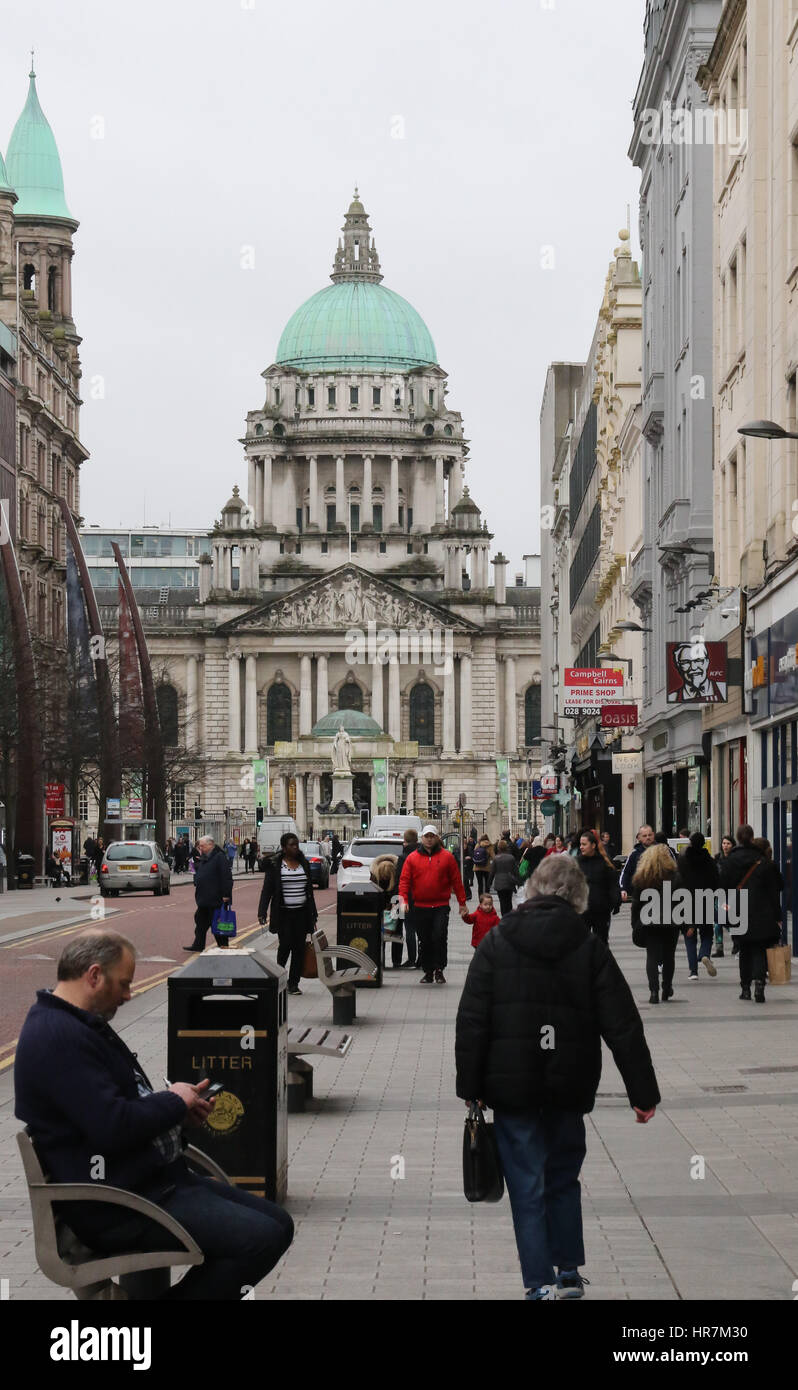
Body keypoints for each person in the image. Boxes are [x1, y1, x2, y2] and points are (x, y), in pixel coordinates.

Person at [14, 930, 293, 1299]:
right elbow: (113, 1127)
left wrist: (177, 1111)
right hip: (119, 1205)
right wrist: (174, 1102)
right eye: (124, 984)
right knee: (261, 1238)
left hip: (149, 1182)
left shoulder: (74, 1024)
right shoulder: (58, 1037)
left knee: (279, 1222)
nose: (130, 995)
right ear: (94, 975)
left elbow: (115, 1111)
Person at [455, 854, 659, 1301]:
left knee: (526, 1184)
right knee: (564, 1178)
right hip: (568, 1084)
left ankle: (539, 1283)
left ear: (533, 889)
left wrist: (470, 1088)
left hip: (512, 1088)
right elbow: (622, 1024)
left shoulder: (497, 941)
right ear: (578, 896)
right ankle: (567, 1271)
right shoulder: (588, 946)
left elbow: (472, 1020)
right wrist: (642, 1094)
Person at [718, 826, 782, 1003]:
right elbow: (774, 890)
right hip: (763, 912)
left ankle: (745, 988)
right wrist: (778, 917)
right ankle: (760, 983)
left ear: (738, 839)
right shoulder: (763, 860)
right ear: (752, 838)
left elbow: (722, 886)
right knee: (760, 950)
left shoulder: (731, 860)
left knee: (744, 950)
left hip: (739, 912)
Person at [398, 825, 468, 985]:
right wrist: (403, 900)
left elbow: (456, 881)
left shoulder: (447, 857)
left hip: (440, 905)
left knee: (439, 936)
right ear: (422, 838)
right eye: (426, 836)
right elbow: (404, 881)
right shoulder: (412, 858)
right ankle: (428, 970)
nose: (429, 839)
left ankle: (439, 969)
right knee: (424, 939)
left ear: (437, 838)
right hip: (420, 905)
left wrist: (462, 903)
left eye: (432, 836)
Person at [258, 833, 318, 995]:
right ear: (284, 848)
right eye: (291, 845)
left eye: (296, 844)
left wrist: (313, 913)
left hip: (302, 913)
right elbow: (267, 890)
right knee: (285, 946)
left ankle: (293, 984)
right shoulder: (276, 865)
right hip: (283, 913)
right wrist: (262, 910)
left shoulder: (303, 863)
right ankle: (280, 977)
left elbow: (309, 891)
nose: (295, 847)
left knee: (299, 949)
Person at [631, 843, 680, 1003]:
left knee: (651, 956)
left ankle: (653, 991)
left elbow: (636, 904)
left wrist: (635, 923)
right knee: (668, 956)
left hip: (649, 920)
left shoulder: (642, 877)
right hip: (671, 921)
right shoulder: (674, 875)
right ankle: (667, 988)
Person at [674, 832, 719, 981]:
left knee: (690, 937)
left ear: (690, 843)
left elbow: (678, 879)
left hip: (687, 902)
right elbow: (716, 882)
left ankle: (693, 971)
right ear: (703, 844)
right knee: (707, 933)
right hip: (705, 900)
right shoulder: (710, 861)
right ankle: (705, 954)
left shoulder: (683, 860)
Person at [183, 836, 233, 952]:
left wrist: (226, 894)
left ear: (211, 845)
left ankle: (223, 945)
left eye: (202, 846)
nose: (200, 848)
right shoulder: (205, 857)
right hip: (205, 898)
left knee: (218, 923)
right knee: (200, 921)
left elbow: (226, 877)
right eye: (199, 846)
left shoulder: (219, 857)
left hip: (216, 898)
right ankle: (198, 944)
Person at [575, 829, 620, 944]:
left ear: (593, 845)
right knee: (582, 943)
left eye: (584, 844)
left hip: (601, 911)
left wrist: (615, 901)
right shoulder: (576, 863)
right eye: (580, 844)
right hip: (582, 911)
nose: (581, 847)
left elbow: (613, 884)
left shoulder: (604, 863)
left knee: (601, 943)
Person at [394, 829, 420, 967]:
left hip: (407, 897)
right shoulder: (421, 853)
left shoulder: (404, 857)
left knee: (407, 929)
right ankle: (421, 959)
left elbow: (399, 880)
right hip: (421, 896)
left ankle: (409, 959)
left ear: (405, 840)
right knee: (421, 929)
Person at [619, 824, 655, 900]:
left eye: (650, 835)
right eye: (644, 836)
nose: (648, 837)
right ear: (639, 838)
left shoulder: (663, 850)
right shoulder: (634, 854)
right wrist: (623, 889)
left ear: (653, 835)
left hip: (660, 893)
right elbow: (626, 872)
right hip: (640, 894)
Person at [713, 834, 735, 956]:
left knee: (728, 920)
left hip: (731, 894)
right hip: (718, 894)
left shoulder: (735, 859)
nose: (725, 846)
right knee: (717, 922)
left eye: (728, 843)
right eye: (724, 843)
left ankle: (737, 942)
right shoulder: (717, 858)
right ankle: (719, 948)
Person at [491, 838, 521, 917]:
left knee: (502, 901)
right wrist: (519, 882)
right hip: (509, 882)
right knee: (508, 901)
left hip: (499, 883)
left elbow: (492, 872)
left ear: (498, 848)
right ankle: (509, 916)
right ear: (506, 847)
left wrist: (489, 883)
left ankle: (504, 916)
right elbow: (515, 871)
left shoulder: (496, 858)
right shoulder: (511, 858)